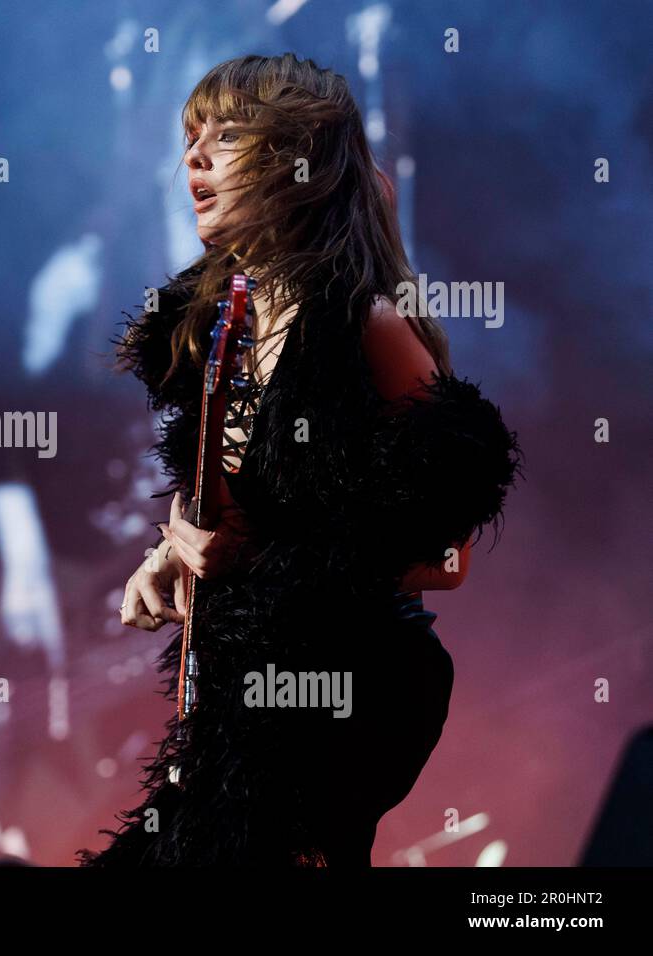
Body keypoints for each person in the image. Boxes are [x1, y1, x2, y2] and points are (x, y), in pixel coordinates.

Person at [76, 53, 521, 867]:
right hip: (249, 690)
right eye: (189, 138)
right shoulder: (222, 328)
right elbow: (245, 514)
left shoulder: (368, 326)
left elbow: (447, 554)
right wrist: (169, 555)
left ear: (297, 159)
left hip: (355, 690)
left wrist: (259, 560)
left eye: (225, 136)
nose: (195, 158)